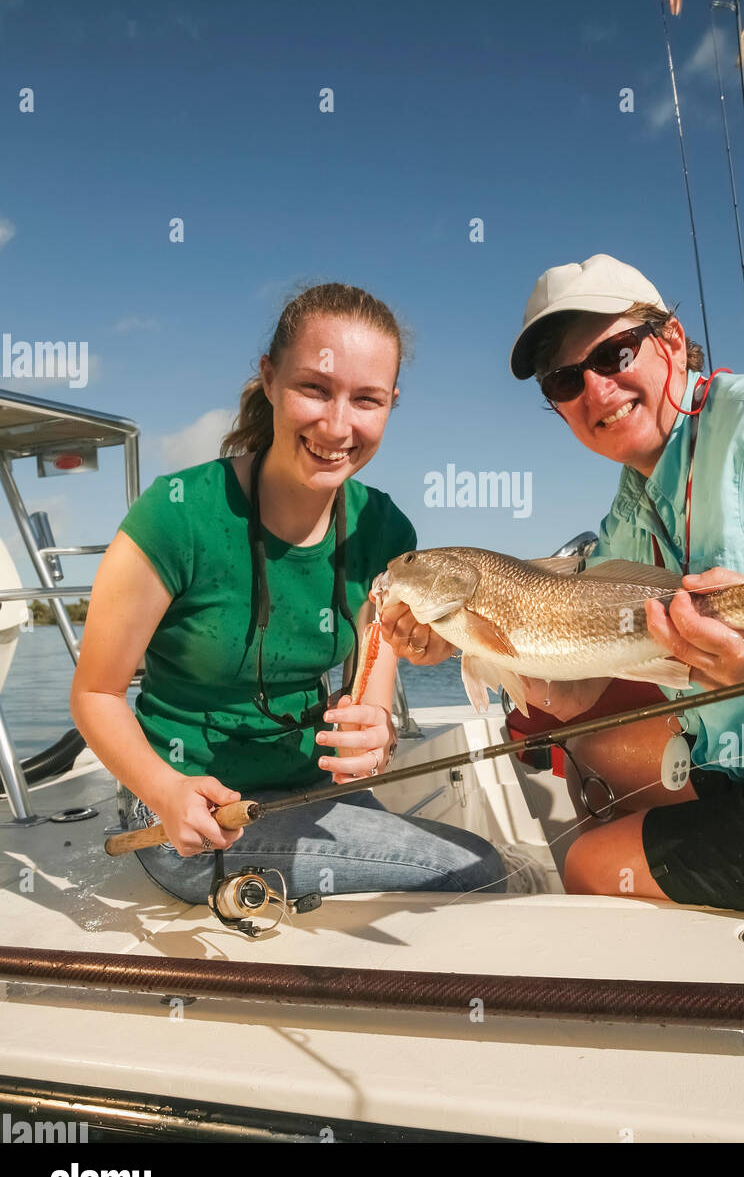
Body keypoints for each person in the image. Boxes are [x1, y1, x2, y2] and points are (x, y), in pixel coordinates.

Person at [385, 253, 744, 928]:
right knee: (596, 750)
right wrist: (463, 645)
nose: (595, 392)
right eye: (564, 380)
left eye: (614, 354)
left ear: (672, 341)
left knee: (589, 866)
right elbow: (572, 694)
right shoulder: (629, 511)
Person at [71, 283, 505, 905]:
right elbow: (95, 692)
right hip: (185, 816)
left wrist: (374, 736)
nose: (337, 424)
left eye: (366, 399)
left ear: (390, 405)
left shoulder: (387, 532)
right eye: (314, 389)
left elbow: (370, 695)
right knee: (480, 869)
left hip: (312, 791)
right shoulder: (176, 514)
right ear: (269, 380)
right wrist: (165, 792)